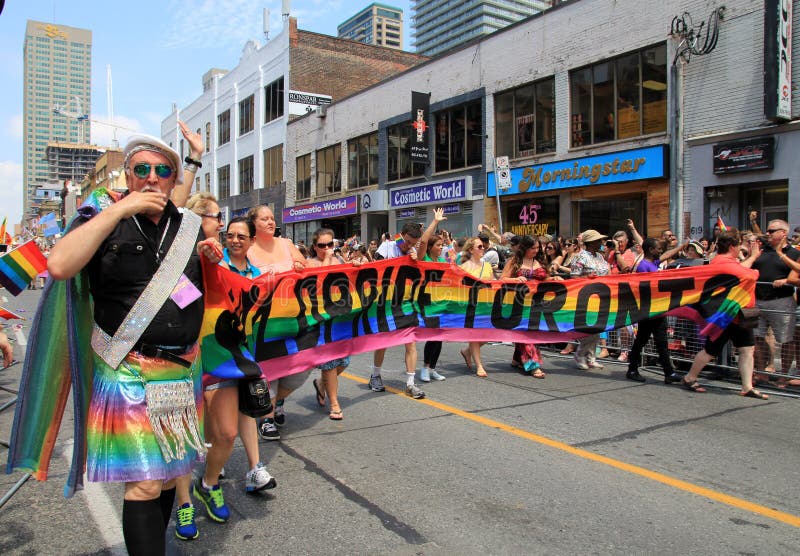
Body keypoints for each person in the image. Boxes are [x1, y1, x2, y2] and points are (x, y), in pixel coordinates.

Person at [44, 133, 219, 555]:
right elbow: (59, 264)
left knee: (164, 475)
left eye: (162, 171)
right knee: (143, 483)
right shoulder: (102, 217)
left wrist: (195, 159)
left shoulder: (185, 225)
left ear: (173, 178)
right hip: (128, 370)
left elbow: (180, 198)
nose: (151, 179)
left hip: (181, 369)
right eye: (141, 169)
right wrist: (120, 208)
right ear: (127, 174)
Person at [245, 205, 308, 440]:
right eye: (264, 219)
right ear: (254, 224)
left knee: (301, 367)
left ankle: (278, 400)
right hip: (262, 322)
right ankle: (267, 417)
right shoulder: (247, 249)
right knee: (268, 371)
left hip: (293, 318)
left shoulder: (286, 244)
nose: (270, 222)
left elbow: (306, 270)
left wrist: (302, 267)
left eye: (272, 218)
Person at [680, 228, 766, 398]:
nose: (741, 247)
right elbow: (748, 275)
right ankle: (690, 377)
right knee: (710, 351)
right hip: (726, 317)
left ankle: (747, 387)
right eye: (740, 244)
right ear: (733, 246)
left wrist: (750, 258)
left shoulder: (726, 261)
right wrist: (753, 258)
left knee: (747, 349)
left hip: (738, 314)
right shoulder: (721, 262)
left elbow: (741, 271)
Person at [369, 221, 428, 399]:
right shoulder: (387, 247)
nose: (409, 245)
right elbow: (375, 270)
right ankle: (375, 376)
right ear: (401, 234)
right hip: (386, 303)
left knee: (411, 342)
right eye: (408, 241)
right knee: (383, 342)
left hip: (406, 302)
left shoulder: (414, 252)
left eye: (413, 243)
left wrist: (414, 260)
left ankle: (410, 384)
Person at [305, 228, 351, 419]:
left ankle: (322, 384)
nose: (327, 249)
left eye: (330, 244)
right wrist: (327, 260)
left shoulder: (339, 261)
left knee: (344, 361)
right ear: (315, 247)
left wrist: (353, 265)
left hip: (339, 318)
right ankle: (334, 403)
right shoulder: (310, 263)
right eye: (322, 245)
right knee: (330, 363)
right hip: (319, 320)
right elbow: (316, 285)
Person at [625, 238, 684, 384]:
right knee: (644, 341)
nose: (660, 251)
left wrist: (682, 246)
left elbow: (667, 254)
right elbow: (643, 288)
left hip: (658, 310)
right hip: (649, 311)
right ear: (651, 250)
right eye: (658, 249)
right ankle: (634, 370)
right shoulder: (643, 266)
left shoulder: (654, 263)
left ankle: (667, 373)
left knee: (658, 341)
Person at [751, 219, 800, 384]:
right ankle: (761, 371)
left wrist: (786, 280)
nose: (768, 234)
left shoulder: (794, 252)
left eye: (772, 231)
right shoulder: (762, 250)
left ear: (783, 233)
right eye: (768, 231)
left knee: (786, 339)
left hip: (781, 301)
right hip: (758, 299)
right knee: (757, 337)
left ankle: (784, 376)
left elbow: (797, 275)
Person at [502, 235, 558, 378]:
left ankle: (517, 359)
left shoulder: (539, 261)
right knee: (526, 333)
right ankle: (533, 365)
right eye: (532, 247)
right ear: (524, 248)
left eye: (538, 247)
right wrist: (515, 279)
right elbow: (502, 279)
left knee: (530, 331)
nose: (536, 250)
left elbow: (544, 279)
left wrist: (553, 278)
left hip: (537, 304)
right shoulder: (514, 262)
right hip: (518, 303)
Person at [570, 230, 611, 370]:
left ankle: (591, 357)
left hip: (602, 296)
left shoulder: (600, 256)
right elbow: (574, 277)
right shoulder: (580, 257)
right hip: (586, 297)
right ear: (591, 242)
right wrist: (587, 279)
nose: (601, 242)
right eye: (598, 240)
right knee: (590, 327)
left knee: (598, 328)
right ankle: (580, 354)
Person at [459, 236, 495, 378]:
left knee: (490, 334)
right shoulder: (464, 267)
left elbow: (494, 284)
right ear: (470, 249)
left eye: (483, 246)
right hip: (471, 305)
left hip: (486, 304)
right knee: (475, 334)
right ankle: (479, 365)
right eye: (479, 247)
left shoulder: (486, 265)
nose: (483, 248)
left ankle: (467, 352)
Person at [419, 233, 448, 383]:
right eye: (438, 245)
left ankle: (432, 368)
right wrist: (435, 221)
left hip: (441, 302)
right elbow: (423, 242)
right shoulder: (425, 259)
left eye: (442, 245)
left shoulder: (443, 261)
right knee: (432, 336)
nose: (441, 247)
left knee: (440, 337)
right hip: (427, 303)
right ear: (430, 247)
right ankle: (425, 367)